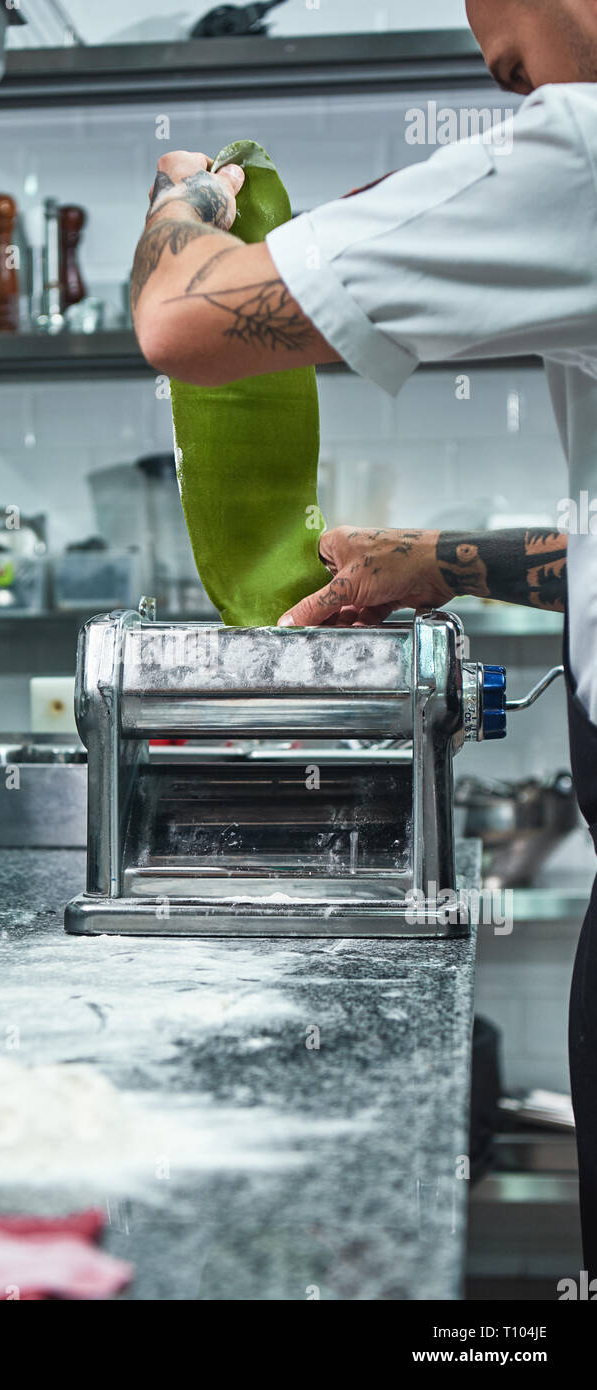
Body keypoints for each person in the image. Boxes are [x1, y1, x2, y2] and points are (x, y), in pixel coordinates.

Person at [130, 0, 597, 1271]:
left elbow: (183, 321)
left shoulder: (583, 146)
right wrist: (441, 561)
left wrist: (187, 197)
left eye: (502, 51)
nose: (500, 74)